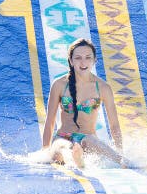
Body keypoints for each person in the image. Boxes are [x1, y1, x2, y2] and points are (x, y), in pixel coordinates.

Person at [41, 38, 126, 168]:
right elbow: (50, 121)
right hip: (64, 136)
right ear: (71, 61)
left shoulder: (103, 87)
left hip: (88, 138)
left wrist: (120, 150)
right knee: (60, 148)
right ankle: (75, 156)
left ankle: (121, 160)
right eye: (78, 58)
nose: (83, 62)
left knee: (91, 141)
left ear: (94, 60)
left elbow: (114, 124)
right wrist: (45, 150)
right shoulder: (59, 85)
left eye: (88, 57)